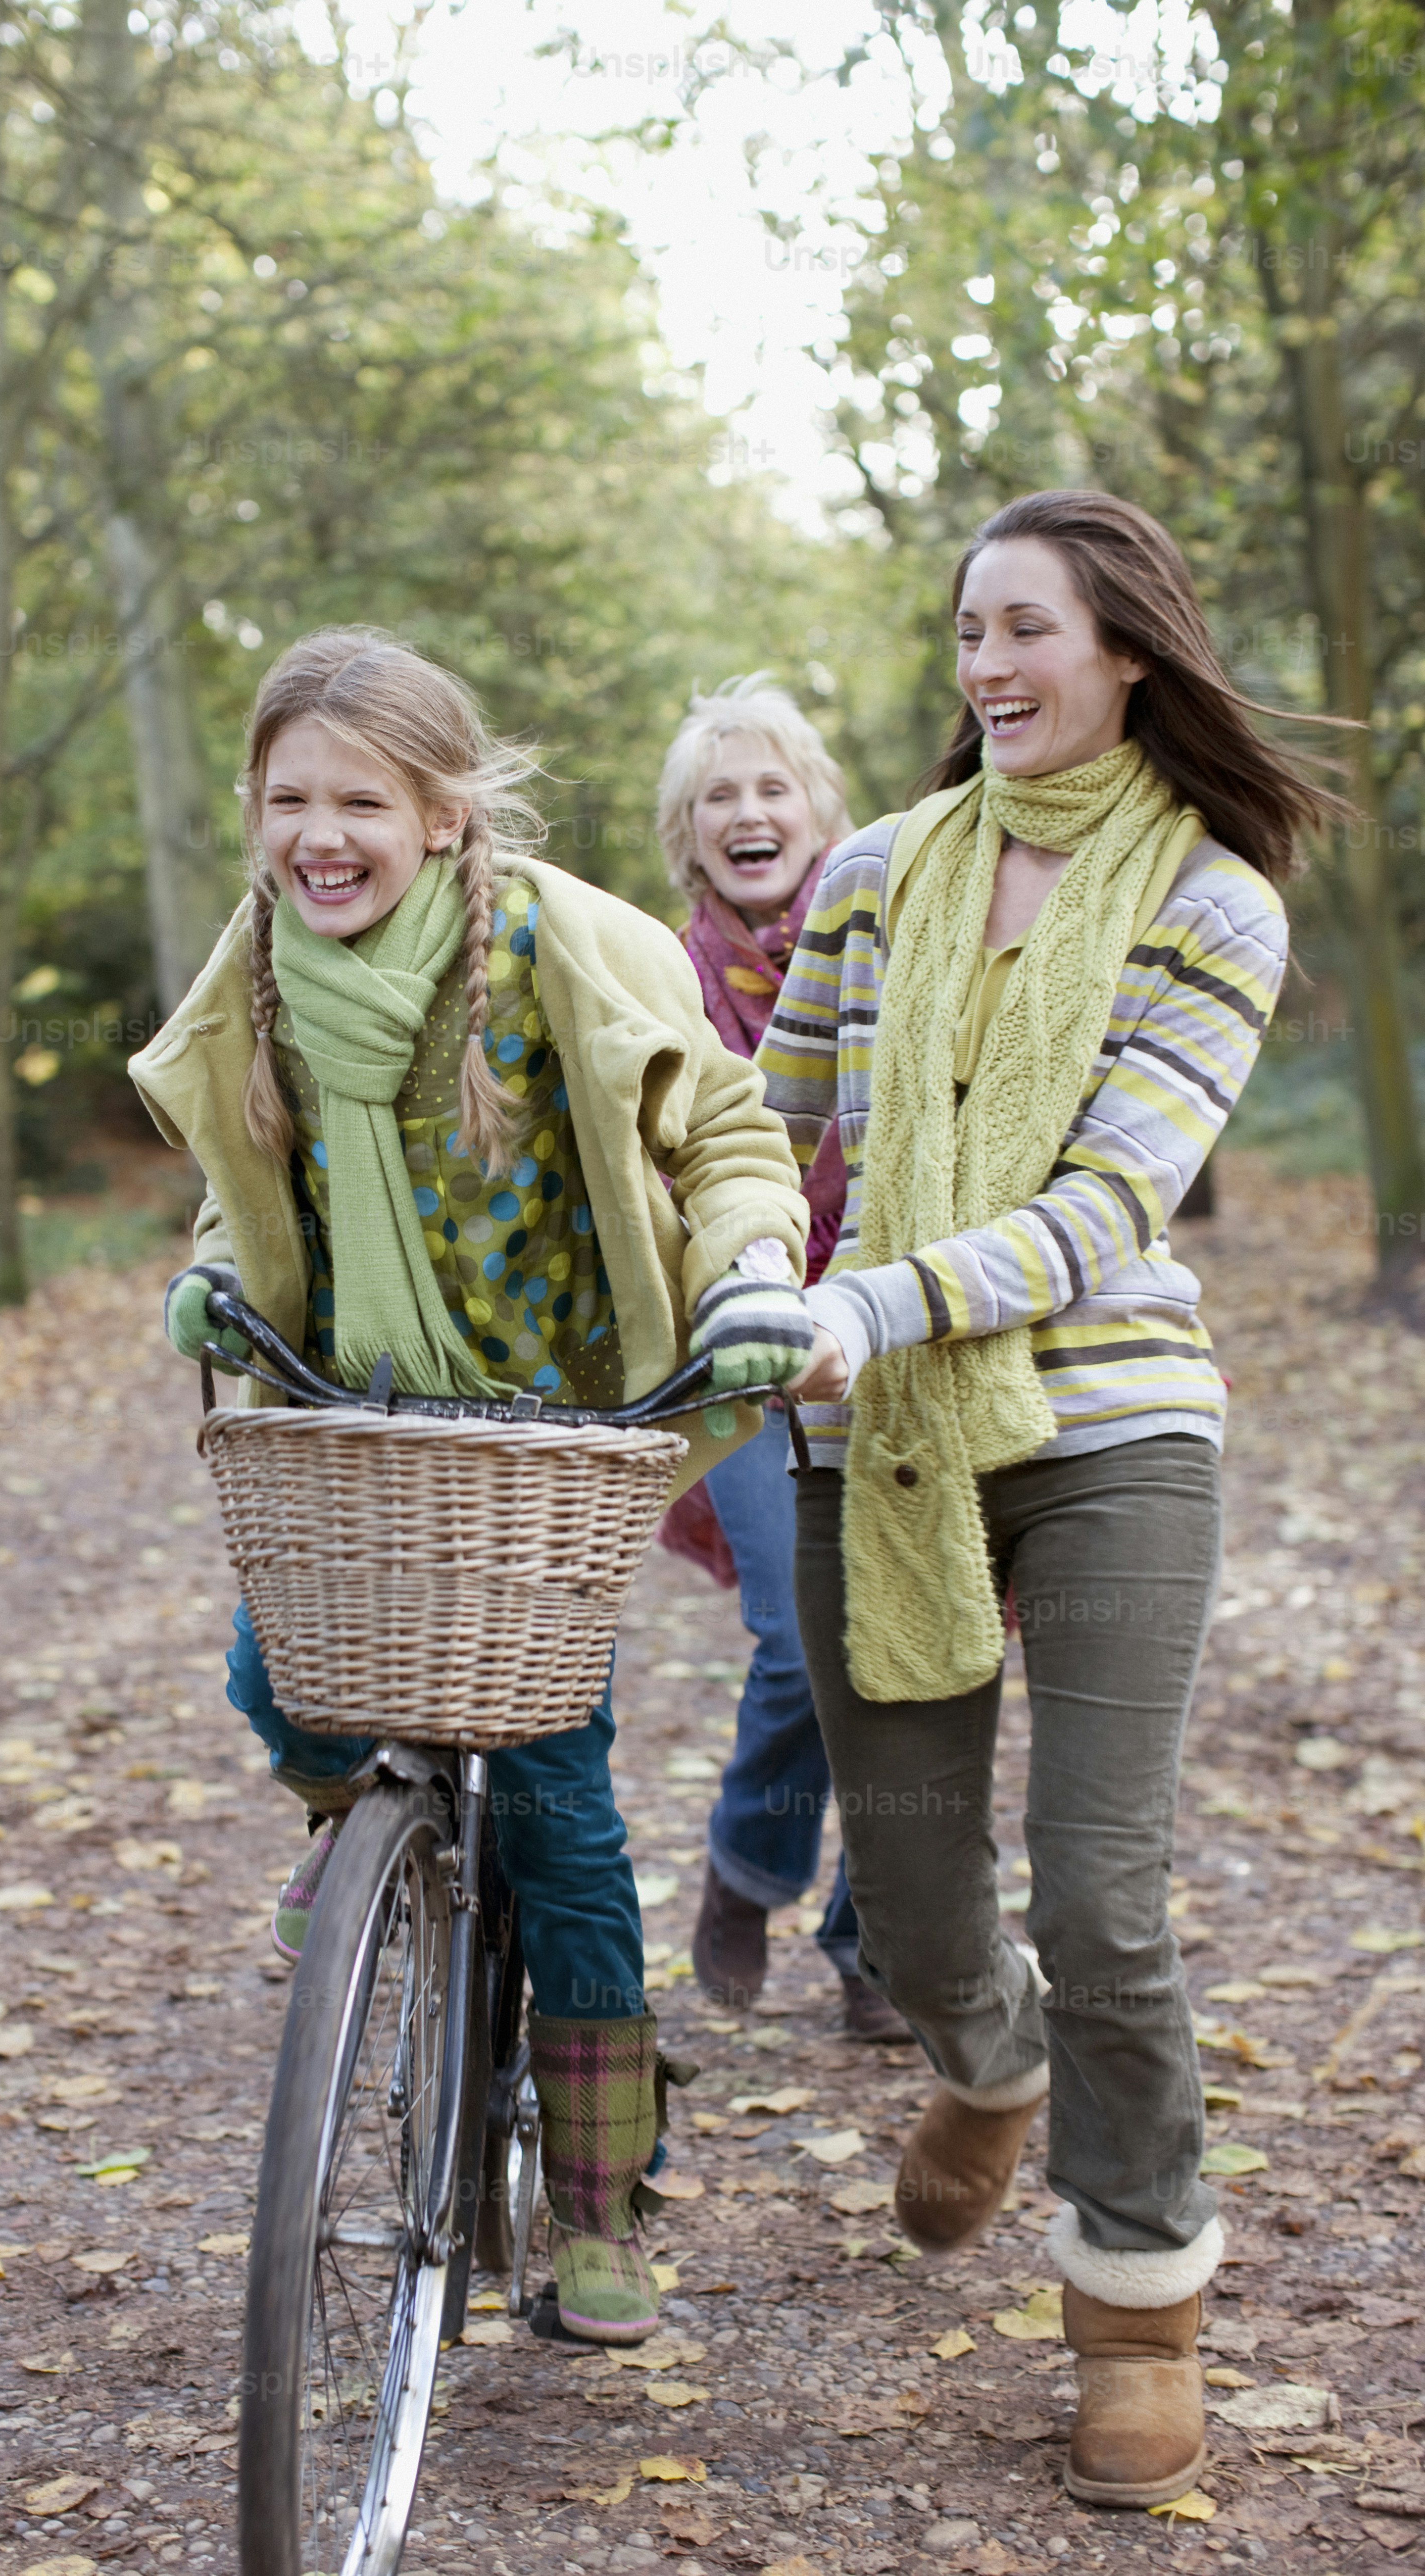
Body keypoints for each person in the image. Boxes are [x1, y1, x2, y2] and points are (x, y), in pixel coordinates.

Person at [129, 627, 815, 2347]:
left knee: (567, 1811)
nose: (320, 833)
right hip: (365, 1425)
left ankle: (594, 2205)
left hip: (555, 1432)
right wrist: (218, 1267)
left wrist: (749, 1266)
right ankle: (367, 1832)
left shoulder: (562, 946)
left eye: (361, 797)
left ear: (444, 811)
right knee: (267, 1672)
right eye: (288, 798)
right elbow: (250, 1174)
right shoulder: (265, 966)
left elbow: (726, 1129)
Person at [764, 492, 1340, 2509]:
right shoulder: (871, 876)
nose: (988, 669)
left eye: (1025, 629)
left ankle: (1133, 2306)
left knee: (1102, 1892)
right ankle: (982, 2065)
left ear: (1124, 649)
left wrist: (878, 1297)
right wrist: (757, 1272)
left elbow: (1108, 1207)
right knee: (919, 1910)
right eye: (964, 635)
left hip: (1111, 1433)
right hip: (874, 1431)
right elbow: (776, 1135)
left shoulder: (1215, 894)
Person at [654, 676, 909, 2042]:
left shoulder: (894, 939)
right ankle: (749, 1868)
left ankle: (872, 1941)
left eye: (773, 787)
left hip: (895, 1324)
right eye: (719, 796)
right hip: (742, 1347)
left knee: (912, 1636)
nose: (750, 813)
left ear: (823, 809)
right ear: (689, 837)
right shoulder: (660, 979)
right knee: (800, 1636)